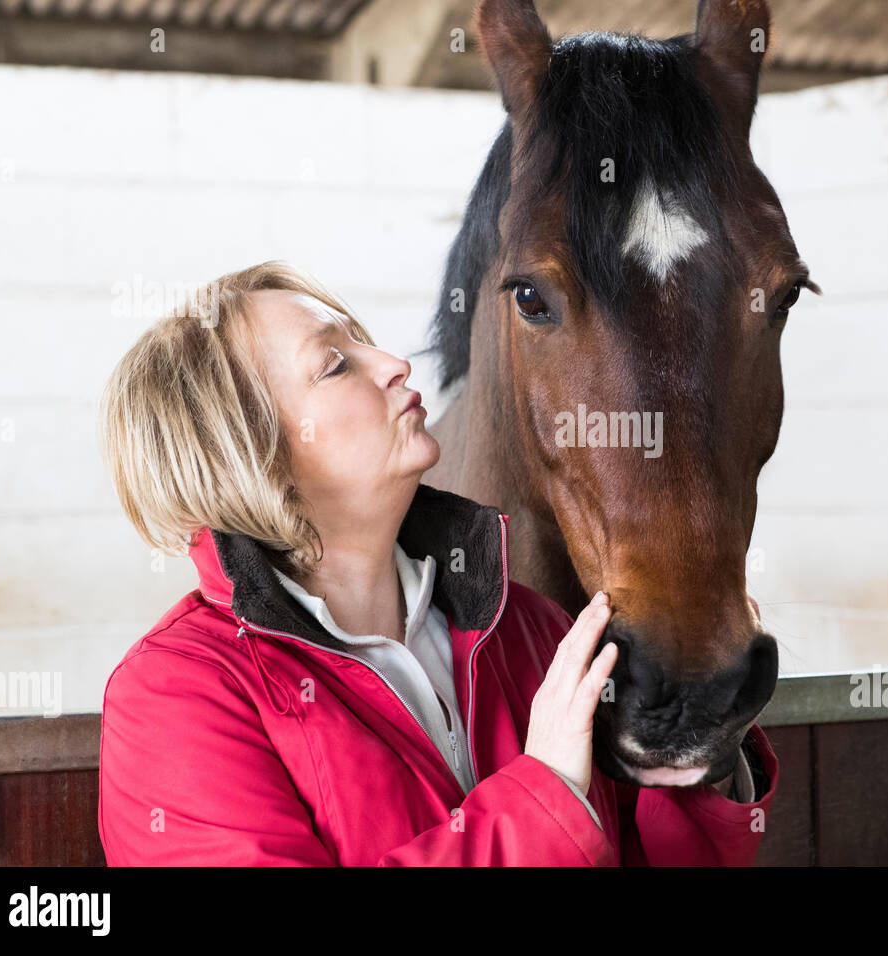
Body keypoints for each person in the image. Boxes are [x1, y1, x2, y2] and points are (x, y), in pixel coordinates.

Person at [95, 259, 778, 866]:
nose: (394, 363)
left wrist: (706, 749)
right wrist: (545, 794)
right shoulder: (174, 698)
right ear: (247, 452)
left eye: (363, 343)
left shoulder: (532, 628)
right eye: (336, 364)